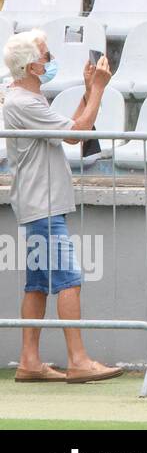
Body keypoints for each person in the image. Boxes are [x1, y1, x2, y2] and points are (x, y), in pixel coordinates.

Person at [3, 29, 121, 384]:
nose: (50, 59)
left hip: (39, 202)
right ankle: (79, 360)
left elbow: (67, 127)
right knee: (68, 279)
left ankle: (29, 360)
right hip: (44, 204)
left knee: (37, 284)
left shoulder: (27, 100)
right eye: (45, 55)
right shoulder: (23, 102)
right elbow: (76, 134)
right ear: (30, 66)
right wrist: (99, 89)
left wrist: (87, 92)